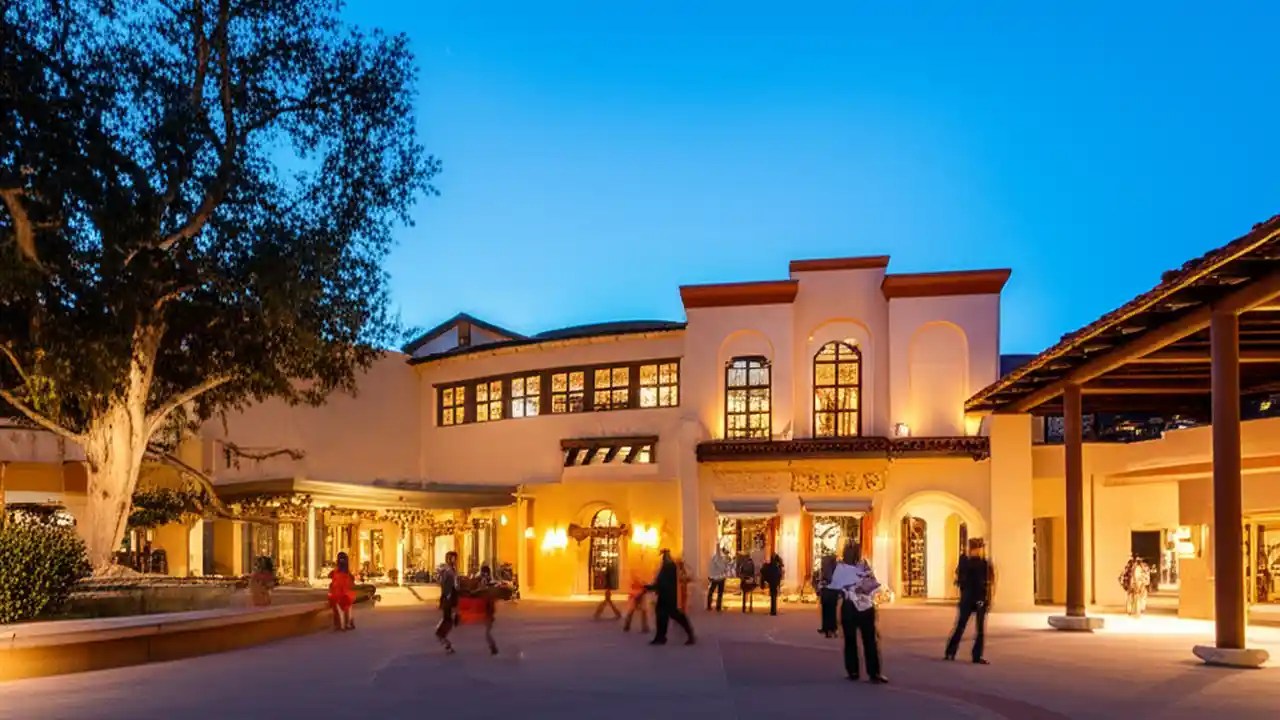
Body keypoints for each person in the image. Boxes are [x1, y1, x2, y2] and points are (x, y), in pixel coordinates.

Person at [832, 542, 886, 683]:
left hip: (863, 605)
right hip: (852, 605)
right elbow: (836, 586)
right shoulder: (842, 568)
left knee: (868, 640)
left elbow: (873, 582)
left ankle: (868, 672)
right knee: (857, 640)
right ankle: (859, 671)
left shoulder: (863, 565)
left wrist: (865, 587)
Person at [945, 538, 995, 664]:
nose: (978, 551)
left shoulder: (982, 563)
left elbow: (989, 582)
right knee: (962, 626)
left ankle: (974, 655)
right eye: (977, 548)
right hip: (970, 598)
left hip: (978, 598)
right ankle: (951, 652)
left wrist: (988, 598)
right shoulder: (967, 562)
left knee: (978, 629)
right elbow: (960, 578)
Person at [647, 549, 695, 646]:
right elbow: (660, 581)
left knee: (676, 616)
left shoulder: (669, 567)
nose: (663, 558)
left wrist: (651, 587)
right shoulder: (667, 567)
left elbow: (663, 582)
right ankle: (660, 637)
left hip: (668, 598)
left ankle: (690, 635)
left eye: (664, 556)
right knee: (661, 617)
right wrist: (652, 587)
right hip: (664, 597)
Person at [436, 550, 460, 653]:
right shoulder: (447, 570)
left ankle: (444, 639)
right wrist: (447, 596)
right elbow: (446, 586)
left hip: (451, 597)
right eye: (451, 558)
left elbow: (454, 585)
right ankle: (442, 637)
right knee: (448, 619)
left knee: (448, 619)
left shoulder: (452, 570)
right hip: (448, 597)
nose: (452, 560)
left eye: (454, 558)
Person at [327, 552, 357, 631]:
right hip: (346, 595)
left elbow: (330, 577)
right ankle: (349, 621)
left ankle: (342, 623)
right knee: (349, 603)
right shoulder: (348, 573)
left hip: (336, 595)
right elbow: (352, 583)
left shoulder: (335, 572)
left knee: (338, 605)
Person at [817, 552, 839, 638]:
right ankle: (829, 629)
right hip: (830, 593)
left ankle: (829, 629)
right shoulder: (833, 568)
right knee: (830, 611)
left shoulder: (830, 569)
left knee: (828, 611)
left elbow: (828, 579)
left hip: (829, 592)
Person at [623, 569, 651, 634]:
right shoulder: (633, 579)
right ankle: (628, 626)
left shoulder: (640, 577)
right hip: (636, 594)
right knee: (632, 611)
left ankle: (644, 627)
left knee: (641, 611)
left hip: (639, 594)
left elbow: (645, 586)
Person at [707, 547, 730, 612]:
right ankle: (718, 607)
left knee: (711, 591)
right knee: (720, 592)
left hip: (715, 577)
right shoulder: (723, 558)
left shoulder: (714, 558)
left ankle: (709, 605)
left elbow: (710, 567)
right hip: (720, 578)